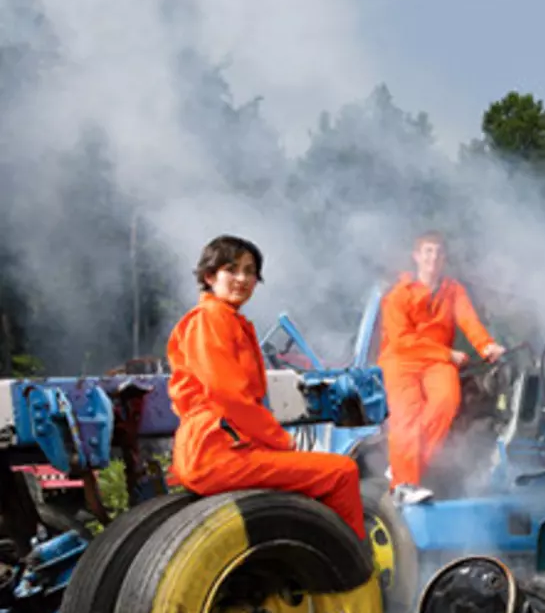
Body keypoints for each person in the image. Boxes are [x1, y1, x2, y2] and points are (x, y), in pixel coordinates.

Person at [166, 235, 366, 539]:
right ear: (209, 276)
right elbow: (230, 396)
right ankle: (353, 569)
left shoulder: (228, 321)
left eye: (250, 271)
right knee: (341, 473)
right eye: (231, 270)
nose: (243, 279)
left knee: (315, 473)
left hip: (222, 448)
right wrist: (281, 440)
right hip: (217, 453)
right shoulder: (211, 319)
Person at [378, 230, 505, 503]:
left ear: (444, 259)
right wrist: (447, 353)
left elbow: (468, 320)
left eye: (437, 252)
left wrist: (486, 346)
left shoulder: (453, 290)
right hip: (402, 360)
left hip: (437, 361)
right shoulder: (398, 295)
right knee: (407, 414)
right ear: (416, 256)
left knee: (447, 402)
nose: (432, 258)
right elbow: (401, 341)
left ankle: (404, 467)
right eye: (427, 251)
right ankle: (403, 483)